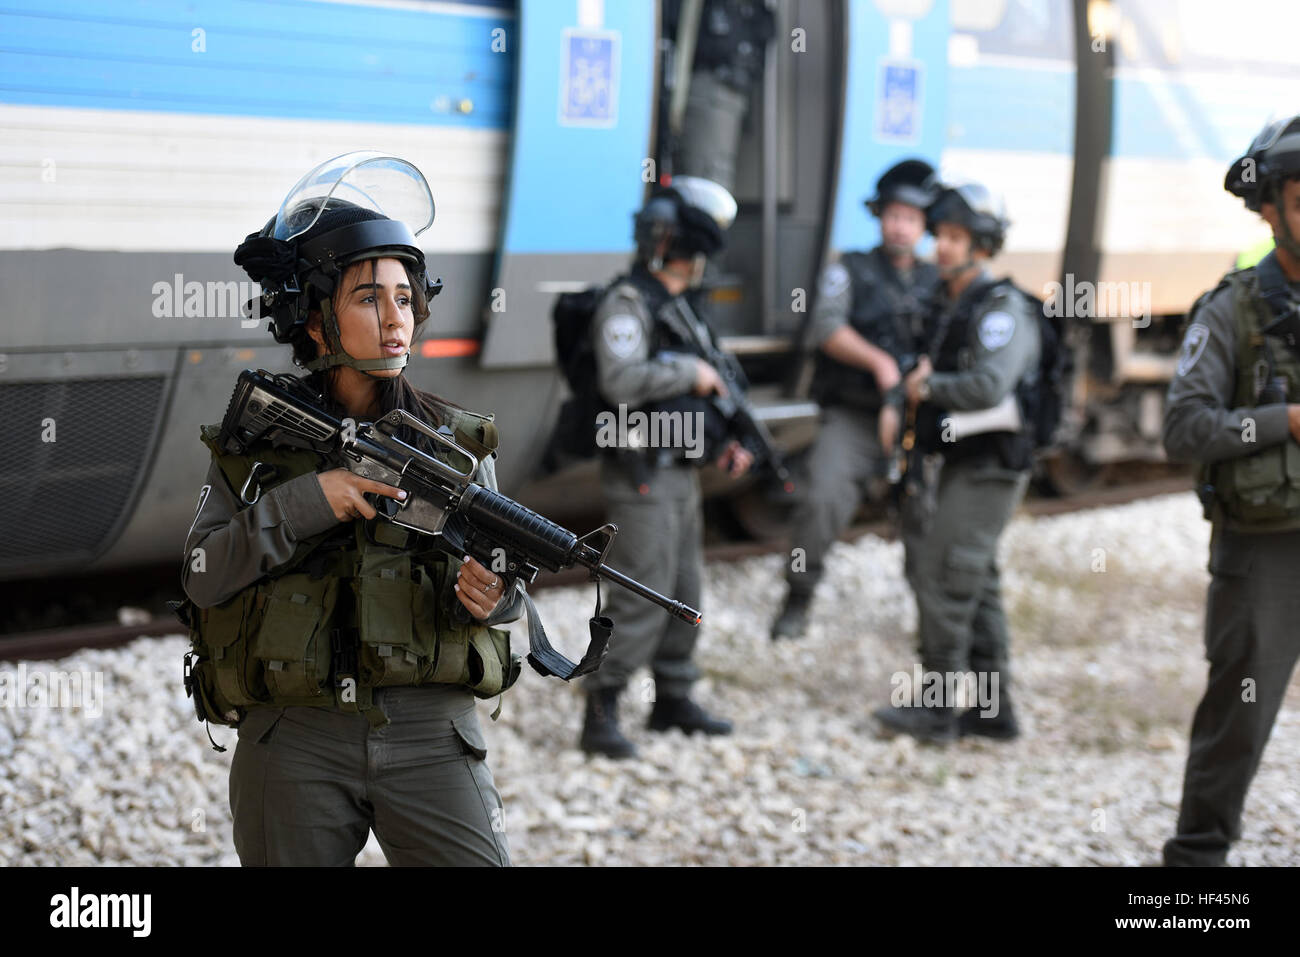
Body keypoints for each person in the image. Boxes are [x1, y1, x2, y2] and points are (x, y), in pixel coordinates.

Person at [181, 152, 522, 866]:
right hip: (294, 735)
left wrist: (495, 596)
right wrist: (313, 499)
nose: (395, 319)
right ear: (314, 320)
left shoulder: (455, 447)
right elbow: (204, 574)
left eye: (405, 298)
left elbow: (508, 588)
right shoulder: (262, 440)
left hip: (430, 731)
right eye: (368, 298)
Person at [1162, 115, 1300, 867]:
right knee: (1239, 717)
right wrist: (1284, 422)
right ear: (1271, 209)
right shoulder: (1233, 310)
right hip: (1266, 551)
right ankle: (1195, 871)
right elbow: (1185, 429)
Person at [578, 176, 753, 759]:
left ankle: (673, 696)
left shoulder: (682, 308)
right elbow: (621, 381)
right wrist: (689, 375)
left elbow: (711, 389)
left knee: (684, 587)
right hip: (640, 467)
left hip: (677, 467)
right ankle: (601, 708)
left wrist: (727, 437)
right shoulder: (628, 303)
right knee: (641, 590)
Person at [871, 175, 1039, 743]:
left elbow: (990, 385)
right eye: (939, 234)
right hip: (964, 462)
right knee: (979, 580)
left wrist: (928, 387)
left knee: (944, 575)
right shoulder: (949, 303)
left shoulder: (1001, 308)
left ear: (982, 245)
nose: (940, 245)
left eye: (955, 236)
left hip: (992, 466)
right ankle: (994, 712)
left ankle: (937, 712)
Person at [770, 158, 940, 640]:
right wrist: (881, 365)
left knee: (925, 518)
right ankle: (797, 598)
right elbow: (827, 327)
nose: (900, 226)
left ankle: (935, 622)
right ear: (879, 217)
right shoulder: (850, 270)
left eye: (910, 218)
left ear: (923, 225)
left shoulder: (936, 281)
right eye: (893, 216)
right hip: (857, 415)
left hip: (914, 422)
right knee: (821, 500)